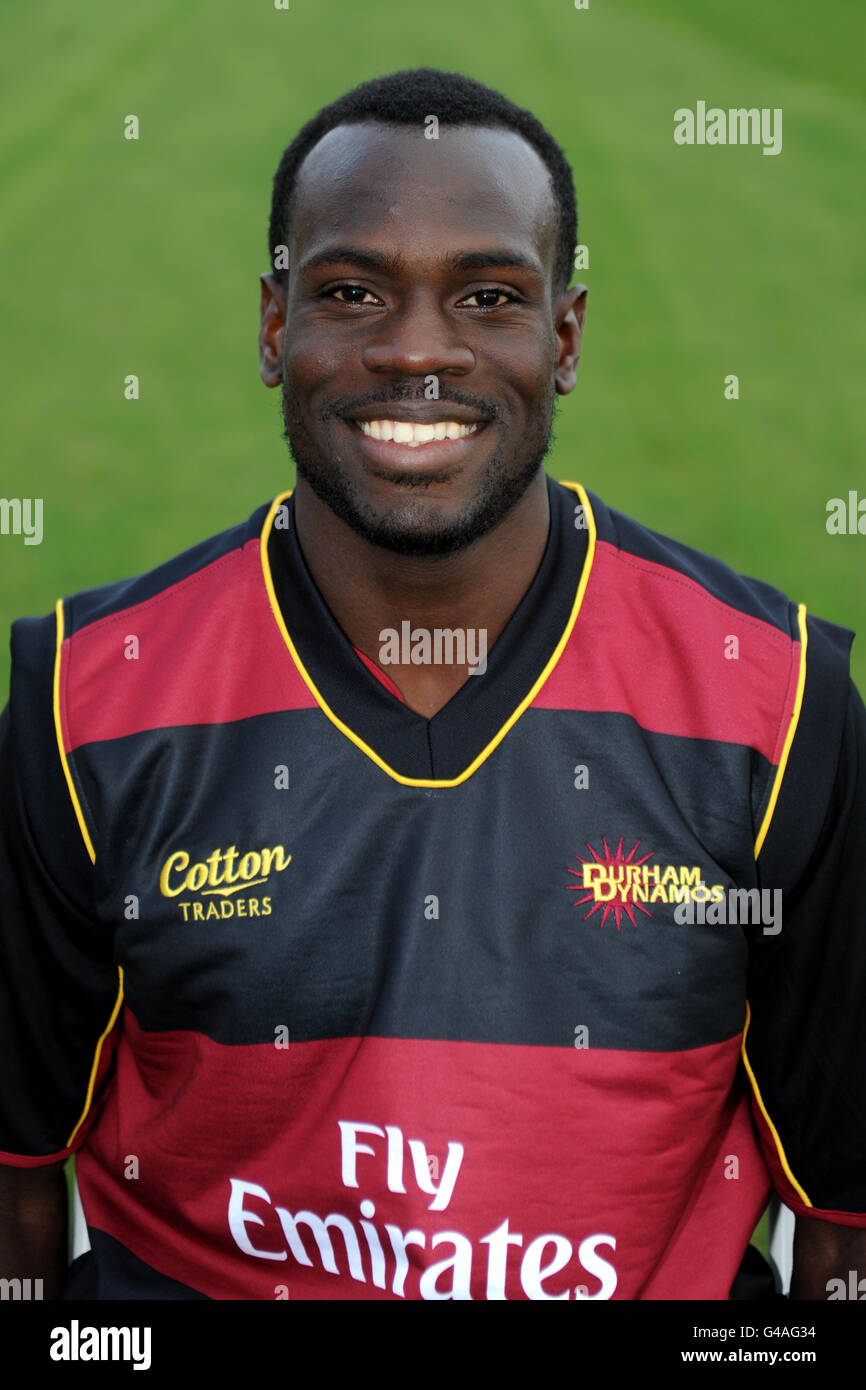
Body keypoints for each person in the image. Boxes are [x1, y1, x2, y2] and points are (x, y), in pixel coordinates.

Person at [1, 67, 864, 1302]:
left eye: (487, 296)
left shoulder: (775, 703)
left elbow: (842, 1216)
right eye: (350, 292)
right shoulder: (85, 697)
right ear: (270, 327)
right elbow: (17, 1174)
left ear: (560, 339)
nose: (416, 350)